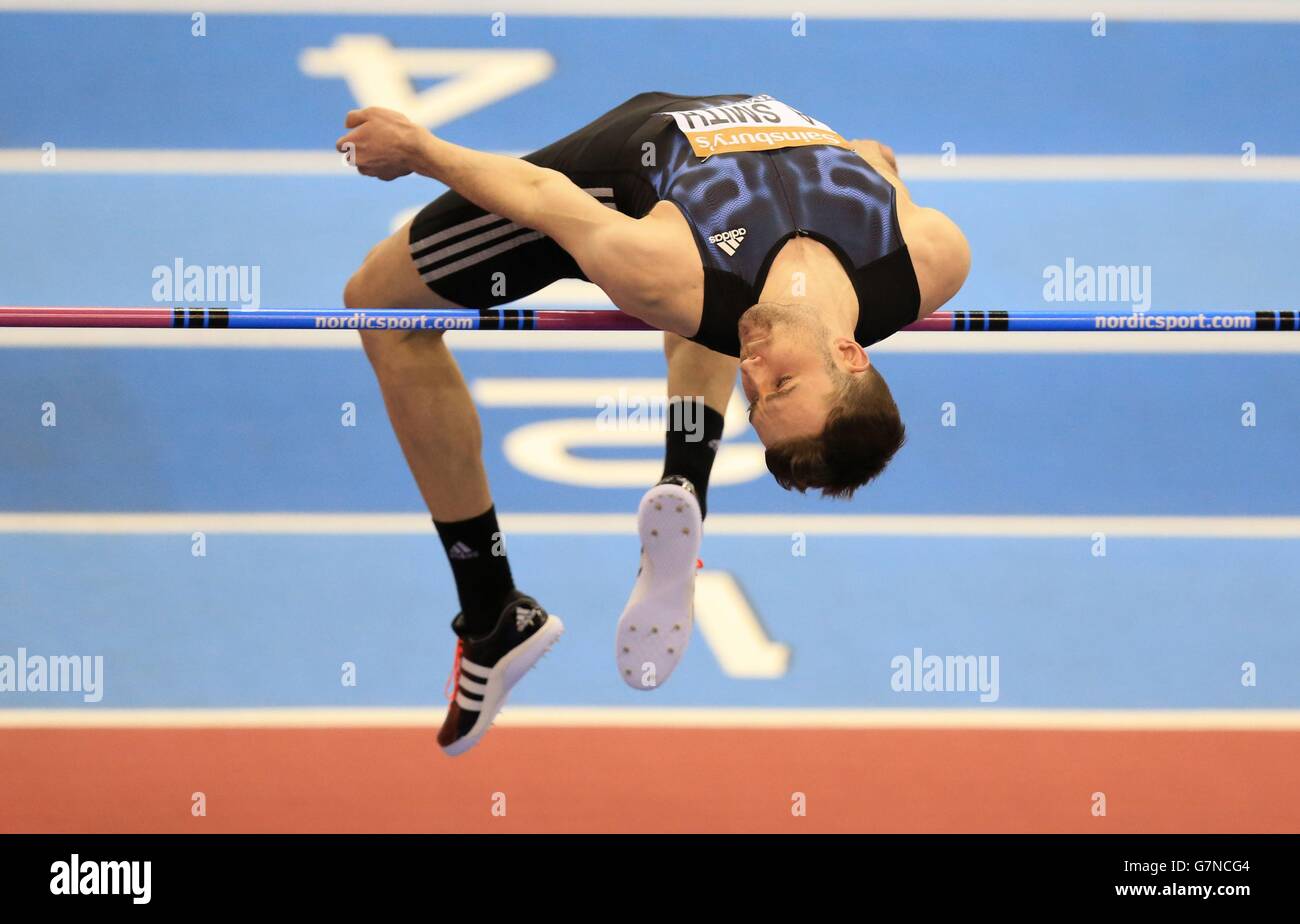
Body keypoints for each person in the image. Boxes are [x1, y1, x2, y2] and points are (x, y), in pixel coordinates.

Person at [338, 92, 970, 754]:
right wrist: (415, 147)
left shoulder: (665, 271)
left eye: (754, 402)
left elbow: (536, 194)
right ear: (852, 352)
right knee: (733, 310)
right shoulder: (934, 256)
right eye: (782, 383)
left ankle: (493, 601)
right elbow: (880, 164)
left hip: (666, 183)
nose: (751, 378)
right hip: (656, 169)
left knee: (377, 306)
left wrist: (420, 149)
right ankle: (528, 590)